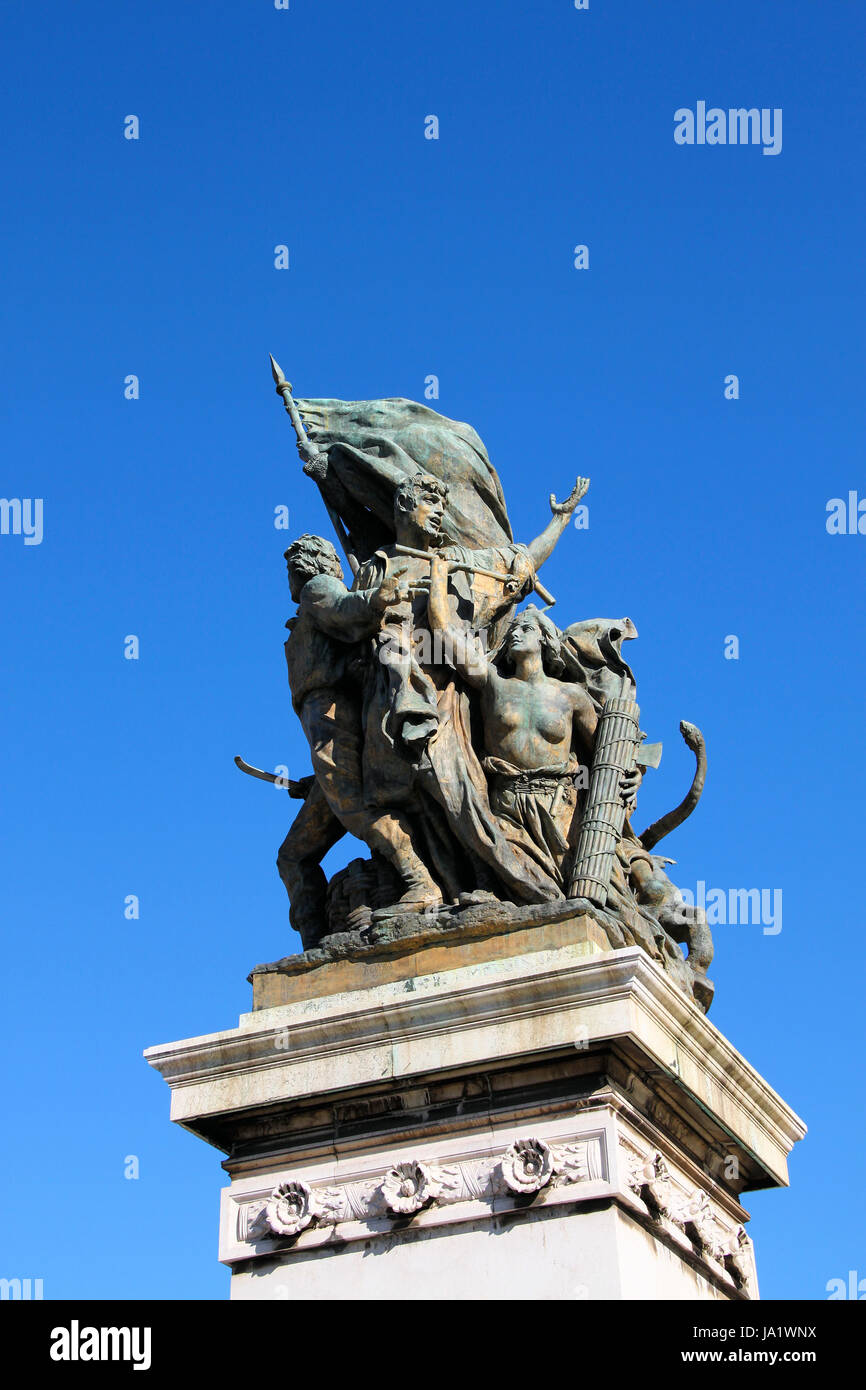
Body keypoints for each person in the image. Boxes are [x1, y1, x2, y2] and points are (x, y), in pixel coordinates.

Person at [276, 534, 441, 947]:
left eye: (290, 569)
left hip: (330, 717)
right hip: (326, 724)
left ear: (304, 566)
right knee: (294, 853)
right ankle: (314, 945)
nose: (289, 579)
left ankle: (420, 881)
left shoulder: (317, 588)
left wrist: (375, 598)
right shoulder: (309, 607)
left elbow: (342, 608)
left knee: (355, 810)